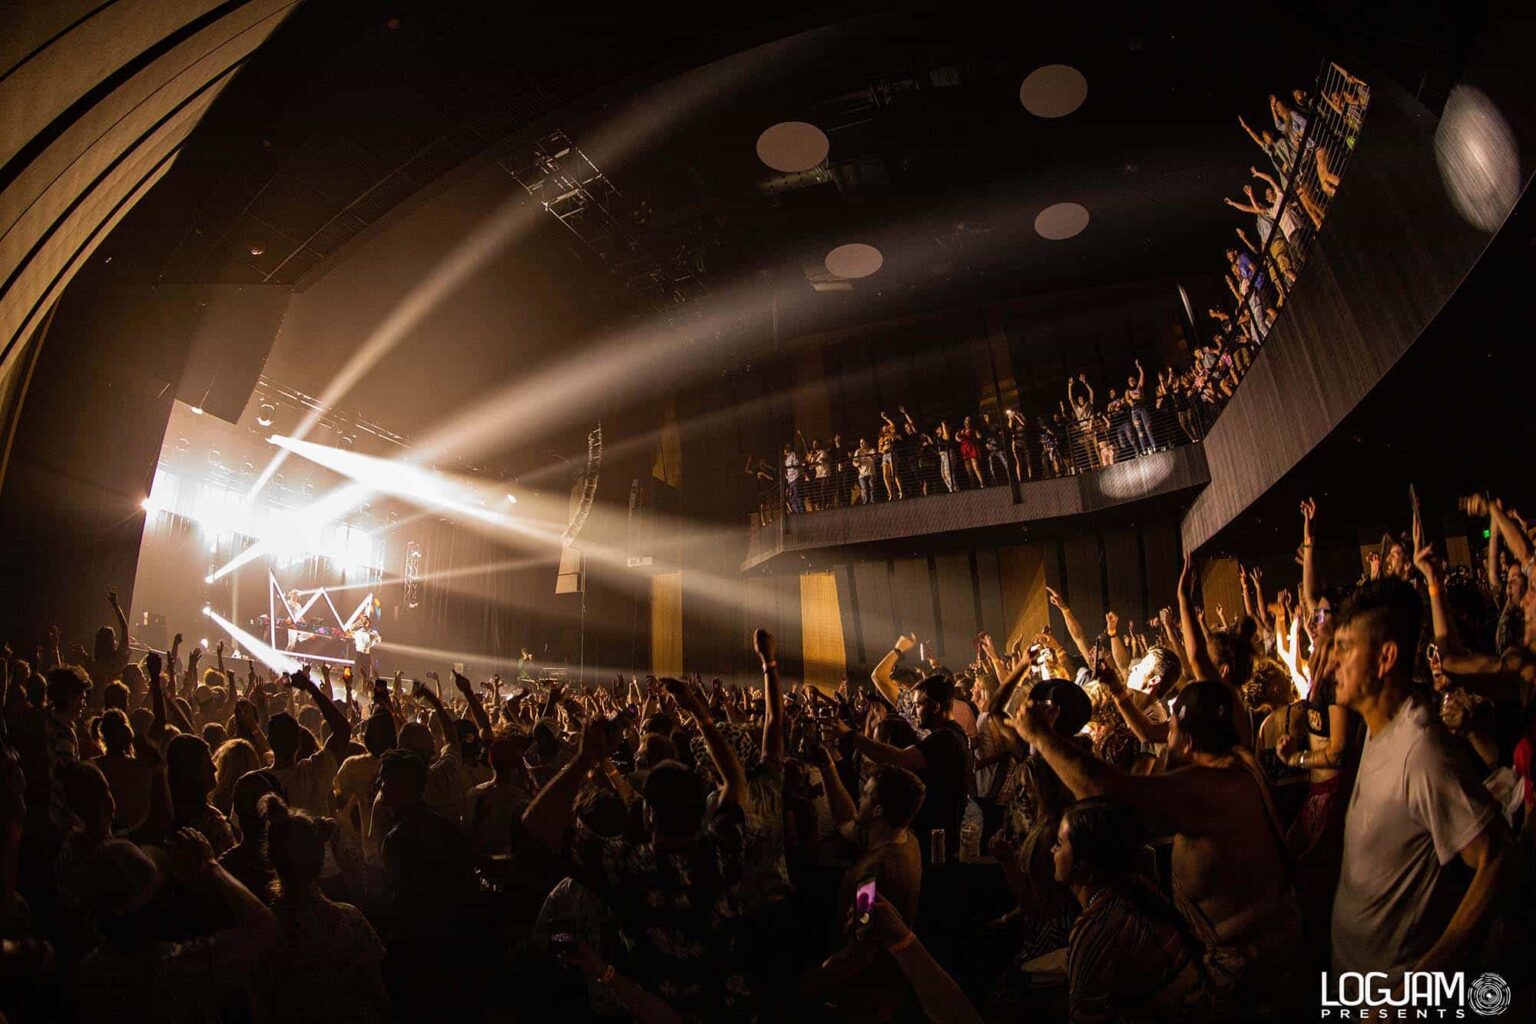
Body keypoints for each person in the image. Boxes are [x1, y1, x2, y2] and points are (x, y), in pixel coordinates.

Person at [1016, 666, 1301, 1013]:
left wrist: (1042, 737)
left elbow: (1106, 795)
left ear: (1187, 739)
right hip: (1262, 950)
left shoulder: (1209, 787)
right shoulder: (1239, 758)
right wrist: (1118, 690)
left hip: (1241, 973)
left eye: (1172, 724)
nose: (1165, 730)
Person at [522, 677, 754, 1020]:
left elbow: (535, 823)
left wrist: (585, 758)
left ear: (648, 814)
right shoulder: (724, 848)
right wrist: (697, 709)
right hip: (727, 1011)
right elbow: (735, 781)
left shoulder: (628, 864)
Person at [1329, 578, 1518, 985]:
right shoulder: (1376, 729)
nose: (1333, 663)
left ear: (1385, 657)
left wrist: (1421, 982)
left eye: (1344, 649)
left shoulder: (1422, 750)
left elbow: (1497, 857)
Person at [73, 828, 278, 1023]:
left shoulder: (87, 974)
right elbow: (264, 927)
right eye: (158, 893)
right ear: (150, 910)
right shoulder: (178, 969)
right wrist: (212, 866)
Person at [1053, 797, 1209, 1022]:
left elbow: (1084, 1018)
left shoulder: (1098, 925)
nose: (1052, 850)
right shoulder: (1134, 887)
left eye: (1059, 844)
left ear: (1083, 863)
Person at [800, 749, 925, 1020]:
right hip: (890, 987)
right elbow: (846, 820)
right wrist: (828, 767)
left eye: (866, 795)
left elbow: (861, 953)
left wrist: (811, 981)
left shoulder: (873, 874)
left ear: (878, 809)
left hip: (865, 999)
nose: (860, 799)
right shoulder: (905, 839)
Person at [255, 794, 390, 1022]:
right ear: (319, 860)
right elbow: (378, 994)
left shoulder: (262, 931)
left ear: (271, 859)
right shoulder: (349, 920)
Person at [830, 674, 970, 861]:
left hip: (934, 840)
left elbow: (899, 758)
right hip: (937, 836)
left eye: (918, 705)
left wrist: (850, 736)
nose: (912, 711)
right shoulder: (954, 734)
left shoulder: (946, 738)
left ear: (936, 707)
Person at [351, 614, 381, 682]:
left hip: (367, 655)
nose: (367, 622)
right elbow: (349, 629)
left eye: (368, 621)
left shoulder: (373, 632)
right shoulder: (358, 632)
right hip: (359, 654)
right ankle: (355, 685)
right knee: (356, 672)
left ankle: (366, 686)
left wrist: (375, 639)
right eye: (364, 621)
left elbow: (379, 639)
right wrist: (358, 622)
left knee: (367, 673)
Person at [852, 437, 877, 505]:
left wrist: (869, 456)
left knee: (872, 488)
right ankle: (865, 504)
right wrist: (857, 464)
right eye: (860, 443)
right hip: (862, 474)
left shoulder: (872, 450)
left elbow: (876, 459)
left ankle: (873, 502)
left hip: (871, 472)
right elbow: (854, 462)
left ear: (867, 443)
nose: (861, 444)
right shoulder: (858, 451)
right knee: (864, 489)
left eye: (863, 442)